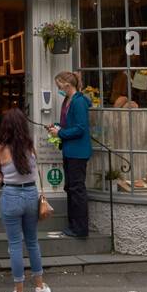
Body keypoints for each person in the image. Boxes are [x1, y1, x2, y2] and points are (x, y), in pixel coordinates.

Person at [0, 108, 51, 292]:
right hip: (30, 195)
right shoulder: (30, 147)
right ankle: (40, 287)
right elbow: (33, 172)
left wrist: (2, 176)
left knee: (15, 244)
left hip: (11, 195)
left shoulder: (1, 149)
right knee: (32, 242)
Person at [49, 70, 92, 238]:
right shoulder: (67, 100)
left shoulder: (79, 102)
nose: (58, 89)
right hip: (69, 150)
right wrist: (57, 126)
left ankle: (80, 228)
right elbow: (69, 124)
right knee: (71, 188)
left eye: (59, 86)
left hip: (78, 152)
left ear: (68, 85)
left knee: (77, 189)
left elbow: (81, 128)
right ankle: (73, 225)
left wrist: (60, 134)